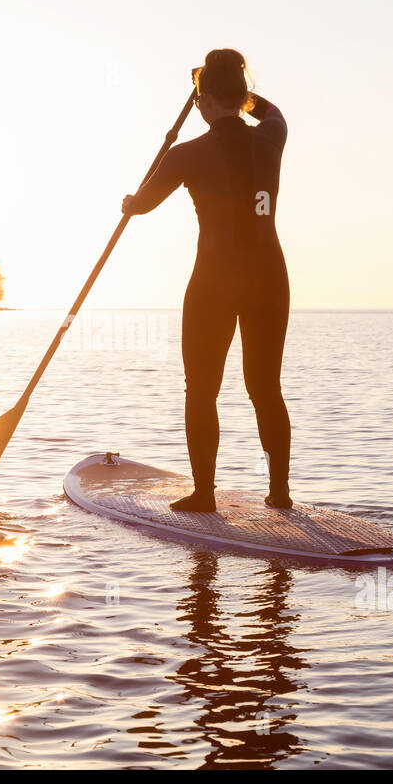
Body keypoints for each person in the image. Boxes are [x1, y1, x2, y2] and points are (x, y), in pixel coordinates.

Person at [122, 49, 291, 512]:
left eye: (200, 97)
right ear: (241, 94)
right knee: (266, 387)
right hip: (269, 276)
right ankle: (279, 493)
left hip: (215, 279)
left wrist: (129, 202)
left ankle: (204, 494)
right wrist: (235, 94)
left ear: (206, 99)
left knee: (201, 388)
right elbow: (270, 111)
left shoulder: (187, 154)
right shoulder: (271, 136)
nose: (196, 105)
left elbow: (143, 205)